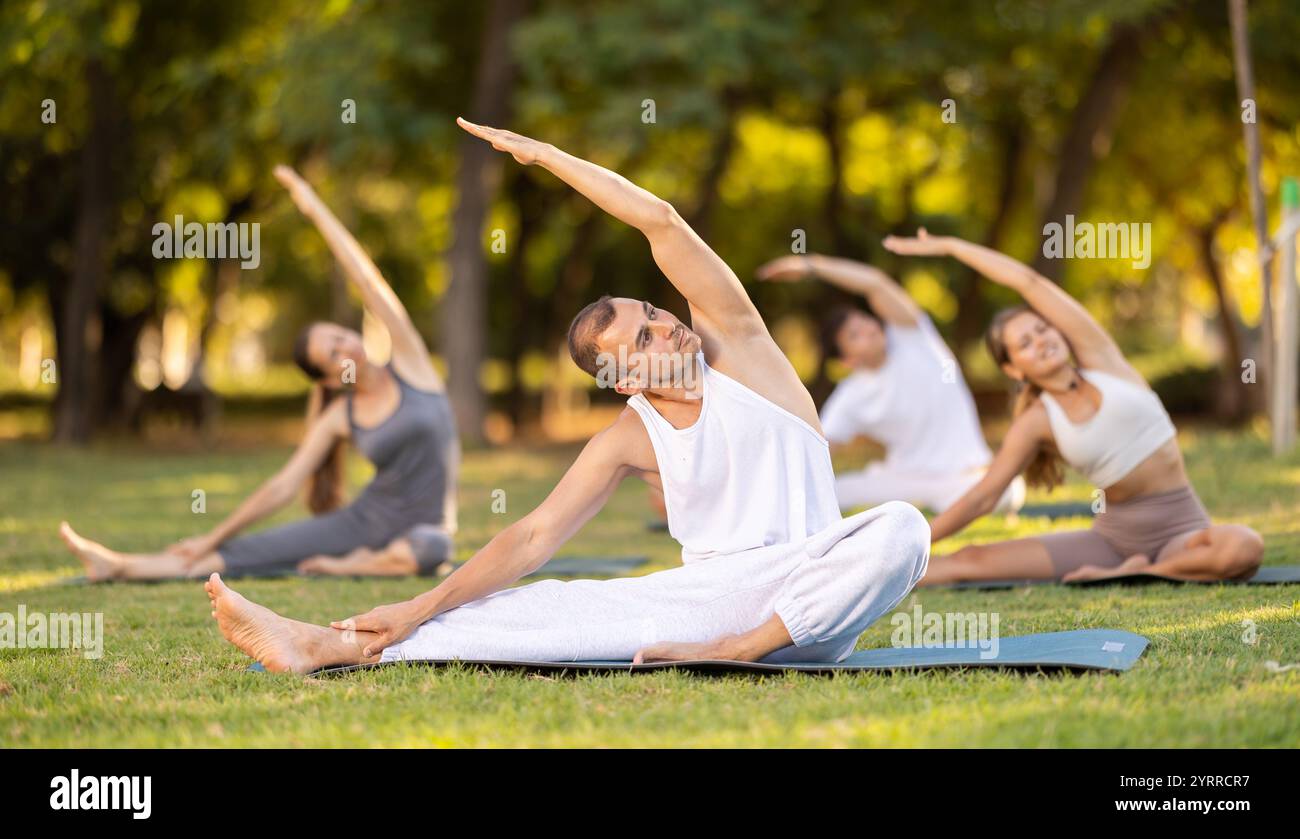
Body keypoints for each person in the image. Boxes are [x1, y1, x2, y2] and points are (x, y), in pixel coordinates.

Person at [204, 118, 931, 673]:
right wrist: (417, 605)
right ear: (621, 380)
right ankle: (324, 645)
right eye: (642, 340)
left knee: (903, 527)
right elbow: (531, 538)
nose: (667, 327)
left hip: (807, 600)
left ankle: (745, 650)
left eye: (654, 315)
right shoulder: (627, 435)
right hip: (709, 602)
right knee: (544, 601)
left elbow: (662, 223)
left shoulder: (746, 354)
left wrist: (546, 157)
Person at [59, 166, 459, 581]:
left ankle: (351, 566)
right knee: (245, 553)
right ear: (326, 380)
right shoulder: (342, 416)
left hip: (423, 536)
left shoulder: (413, 368)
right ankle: (120, 565)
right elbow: (282, 487)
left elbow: (368, 282)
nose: (348, 348)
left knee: (434, 547)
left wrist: (312, 205)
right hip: (359, 525)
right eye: (333, 353)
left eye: (341, 336)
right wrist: (213, 536)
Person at [879, 229, 1264, 586]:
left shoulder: (1104, 362)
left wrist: (952, 247)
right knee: (969, 560)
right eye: (1025, 343)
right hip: (1112, 542)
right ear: (1014, 368)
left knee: (1244, 548)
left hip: (1184, 532)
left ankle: (1144, 572)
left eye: (1042, 330)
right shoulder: (1037, 421)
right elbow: (983, 497)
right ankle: (871, 578)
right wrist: (912, 541)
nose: (1041, 341)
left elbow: (1029, 283)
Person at [755, 253, 1025, 515]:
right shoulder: (851, 395)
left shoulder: (912, 336)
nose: (868, 328)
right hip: (903, 481)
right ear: (847, 360)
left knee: (1009, 491)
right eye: (854, 334)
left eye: (865, 321)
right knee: (832, 493)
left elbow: (875, 283)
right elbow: (819, 449)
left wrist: (810, 265)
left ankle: (943, 507)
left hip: (967, 475)